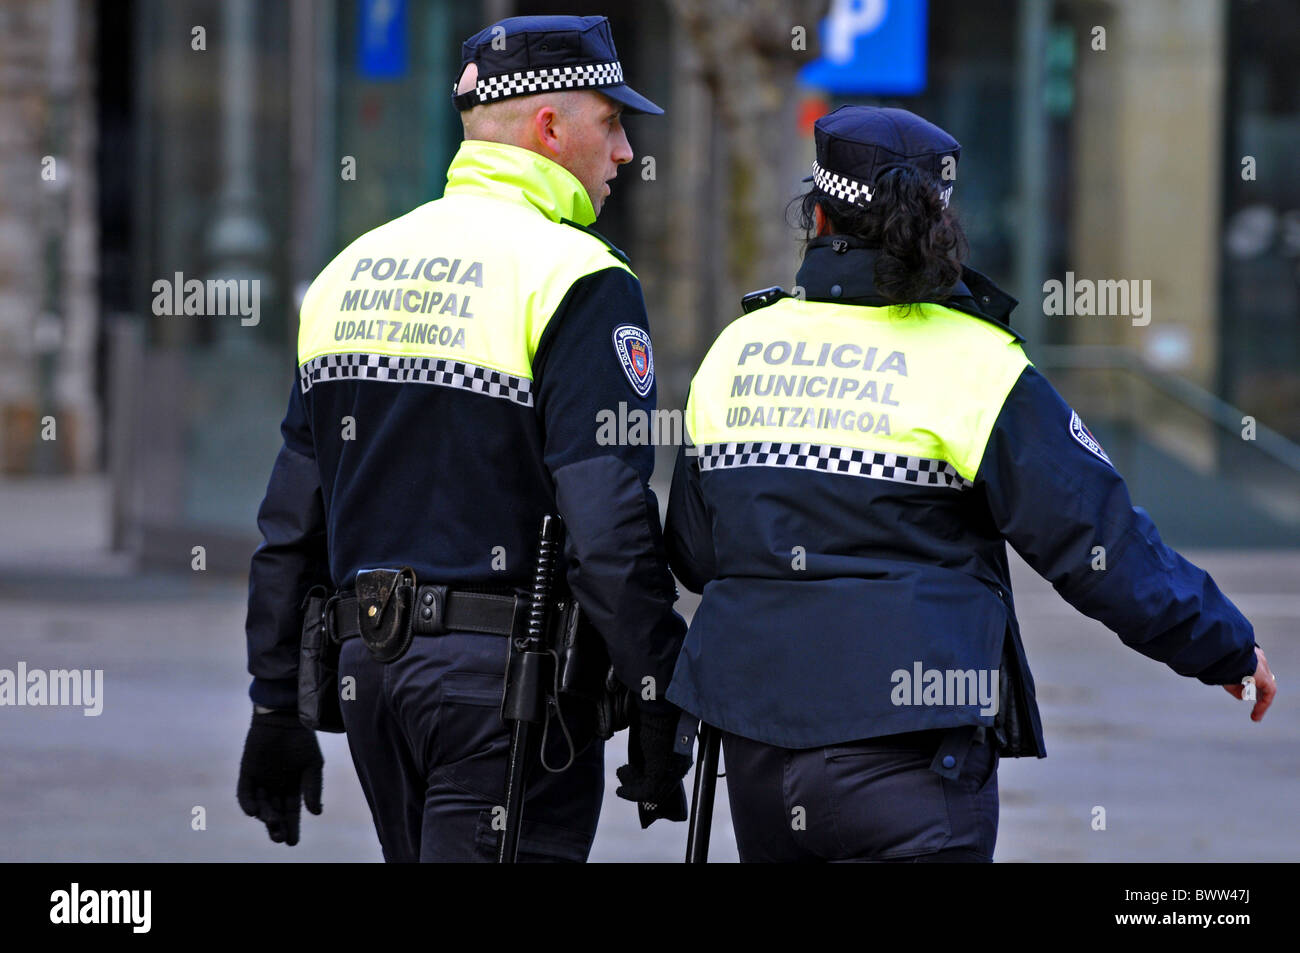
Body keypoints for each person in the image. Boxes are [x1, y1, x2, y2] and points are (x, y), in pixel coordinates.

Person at [663, 105, 1277, 863]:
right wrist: (1222, 643)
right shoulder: (978, 363)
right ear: (940, 226)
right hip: (909, 759)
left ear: (816, 216)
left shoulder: (737, 350)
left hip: (761, 759)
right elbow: (1098, 544)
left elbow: (692, 551)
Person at [237, 14, 690, 862]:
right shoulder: (576, 276)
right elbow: (606, 520)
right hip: (509, 693)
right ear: (549, 128)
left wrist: (274, 707)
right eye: (612, 122)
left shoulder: (351, 270)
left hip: (372, 679)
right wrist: (660, 681)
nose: (625, 152)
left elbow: (291, 519)